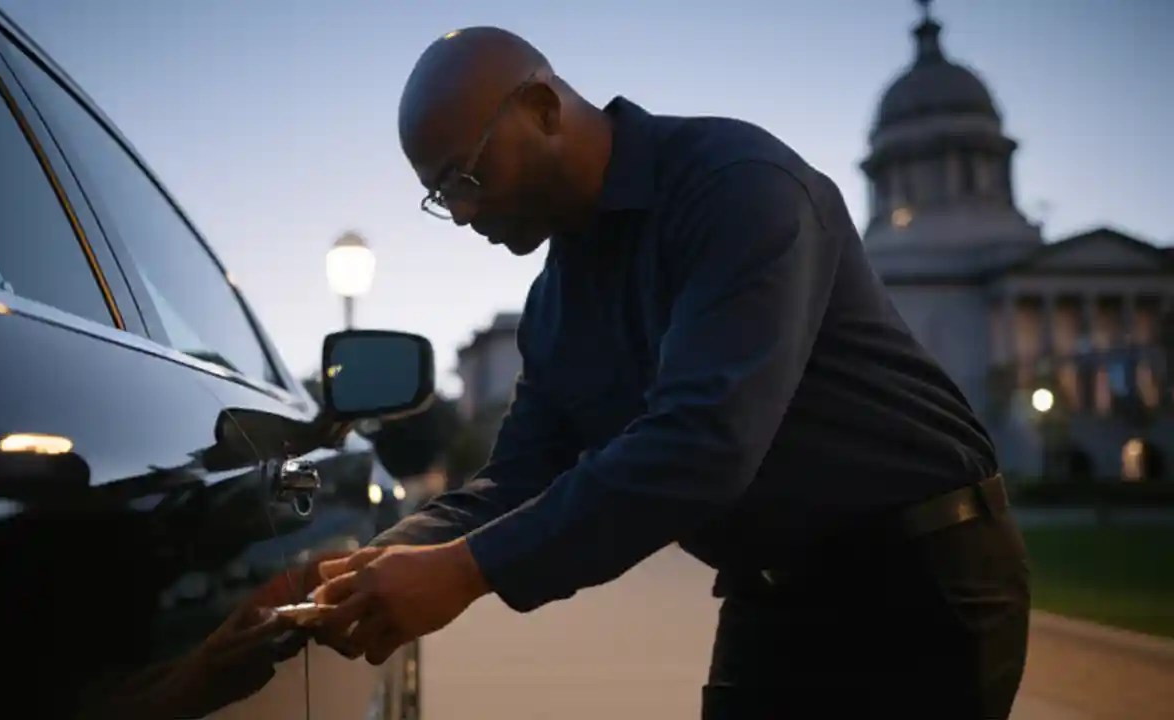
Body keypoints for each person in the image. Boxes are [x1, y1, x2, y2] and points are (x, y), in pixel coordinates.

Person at [308, 26, 1031, 718]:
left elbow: (703, 443)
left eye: (467, 176)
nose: (463, 213)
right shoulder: (554, 303)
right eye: (442, 196)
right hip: (770, 596)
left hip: (919, 580)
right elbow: (517, 477)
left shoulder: (738, 186)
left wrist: (466, 570)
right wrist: (373, 564)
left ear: (543, 109)